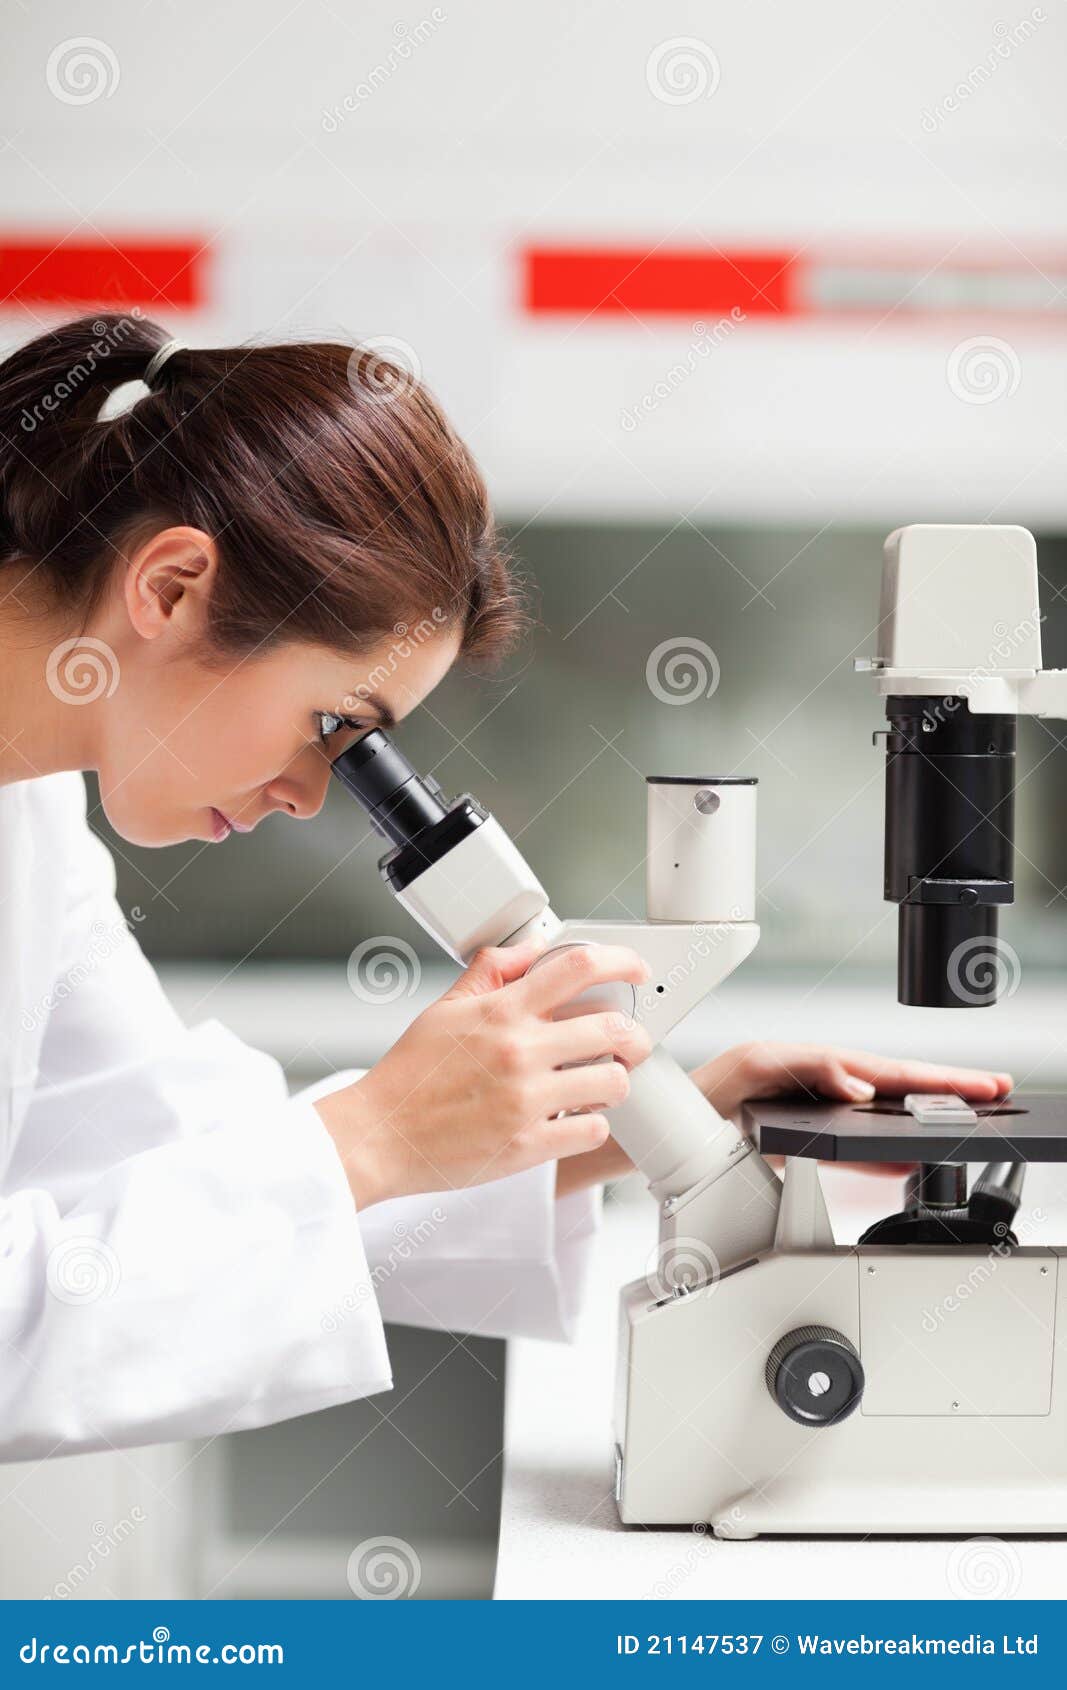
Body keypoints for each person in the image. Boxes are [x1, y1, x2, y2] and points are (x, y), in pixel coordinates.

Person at [0, 314, 1011, 1461]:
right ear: (174, 586)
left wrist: (671, 1119)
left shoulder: (35, 818)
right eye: (334, 725)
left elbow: (173, 1162)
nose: (309, 794)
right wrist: (380, 1130)